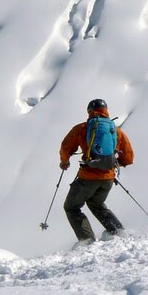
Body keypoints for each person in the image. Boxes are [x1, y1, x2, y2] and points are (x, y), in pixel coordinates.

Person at [58, 98, 134, 243]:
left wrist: (64, 161)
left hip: (88, 178)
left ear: (89, 112)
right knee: (96, 203)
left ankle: (87, 241)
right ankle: (118, 231)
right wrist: (112, 164)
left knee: (71, 207)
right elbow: (129, 158)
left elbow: (65, 146)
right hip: (108, 179)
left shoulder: (82, 128)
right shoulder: (115, 130)